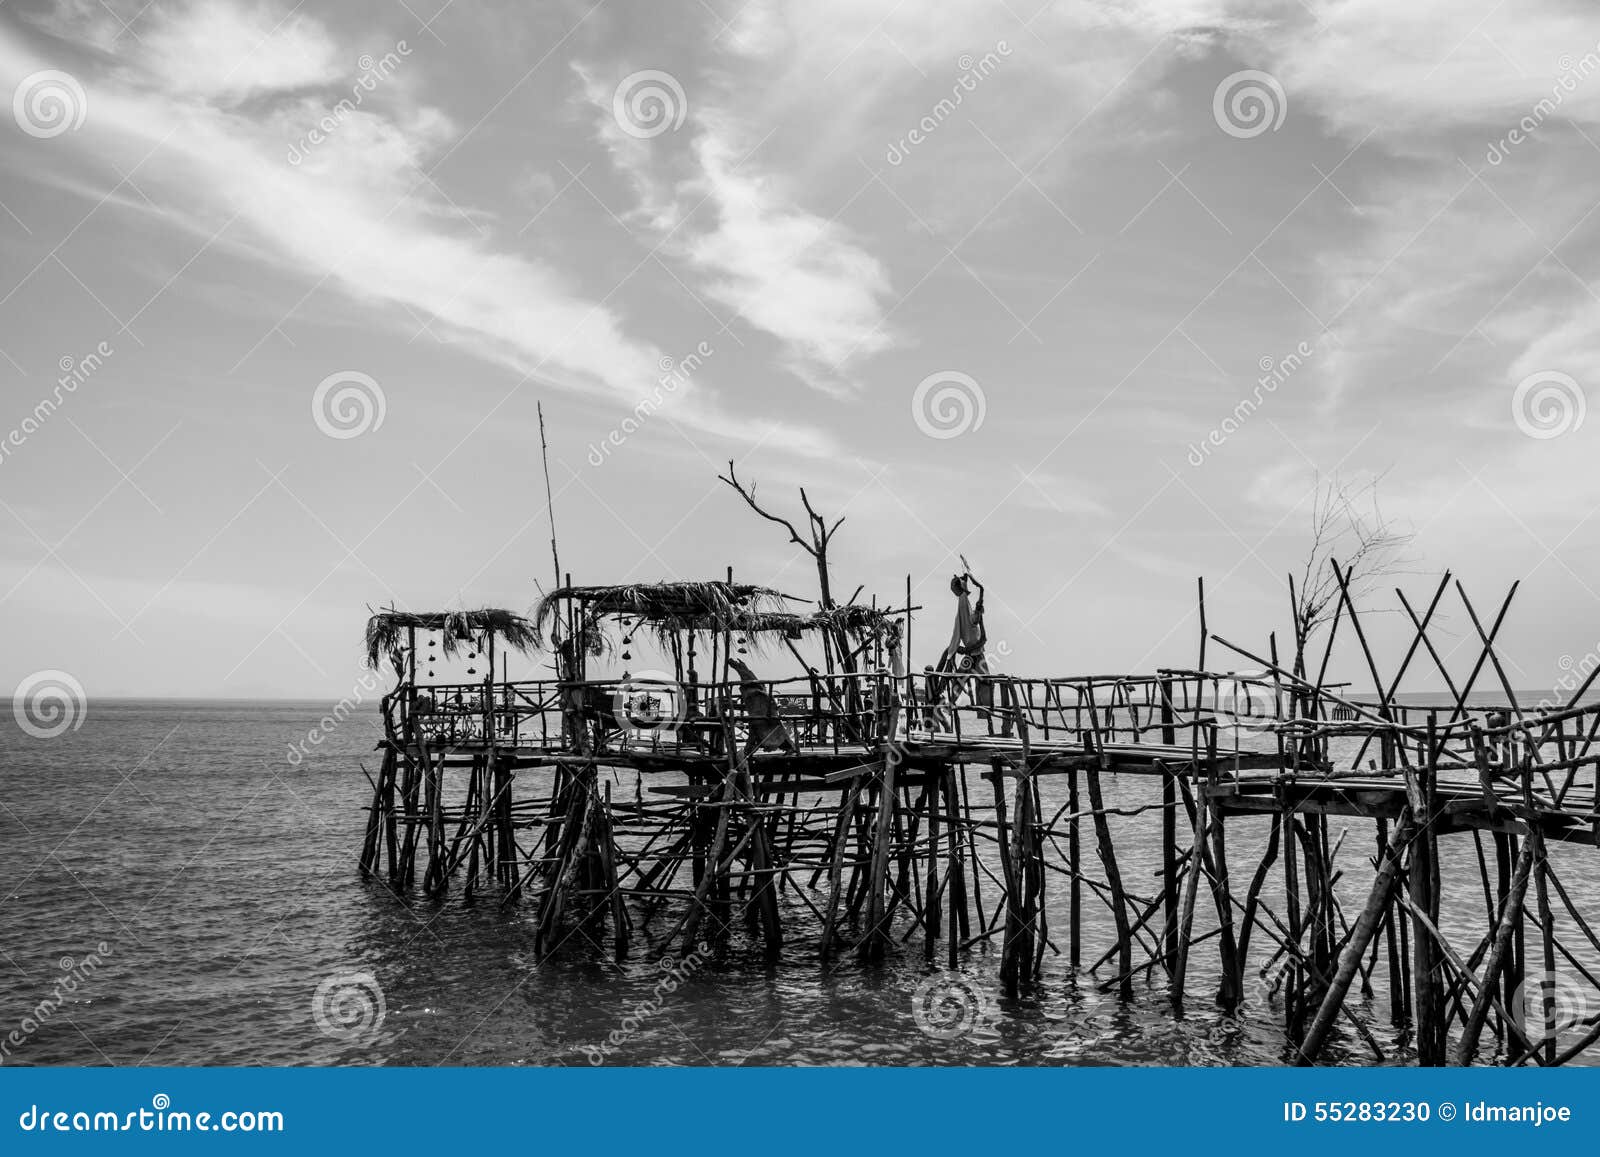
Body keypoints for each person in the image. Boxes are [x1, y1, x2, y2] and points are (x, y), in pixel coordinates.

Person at [728, 656, 800, 759]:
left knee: (771, 732)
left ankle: (748, 752)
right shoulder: (756, 692)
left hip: (764, 718)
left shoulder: (758, 692)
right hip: (761, 718)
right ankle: (748, 752)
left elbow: (769, 704)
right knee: (762, 733)